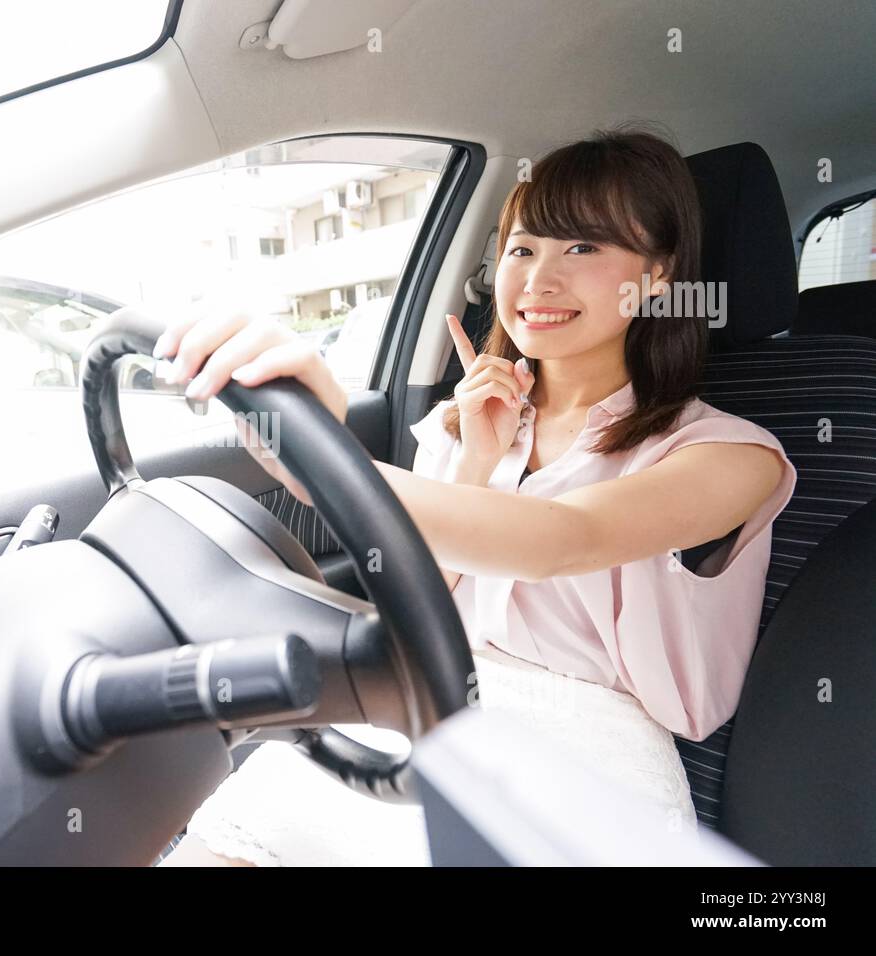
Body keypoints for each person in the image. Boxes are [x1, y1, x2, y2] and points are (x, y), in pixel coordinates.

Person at [155, 127, 798, 866]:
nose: (539, 279)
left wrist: (328, 459)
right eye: (524, 249)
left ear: (655, 276)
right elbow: (420, 598)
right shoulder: (461, 426)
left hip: (589, 758)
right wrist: (475, 463)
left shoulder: (726, 454)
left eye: (583, 248)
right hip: (429, 702)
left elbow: (564, 539)